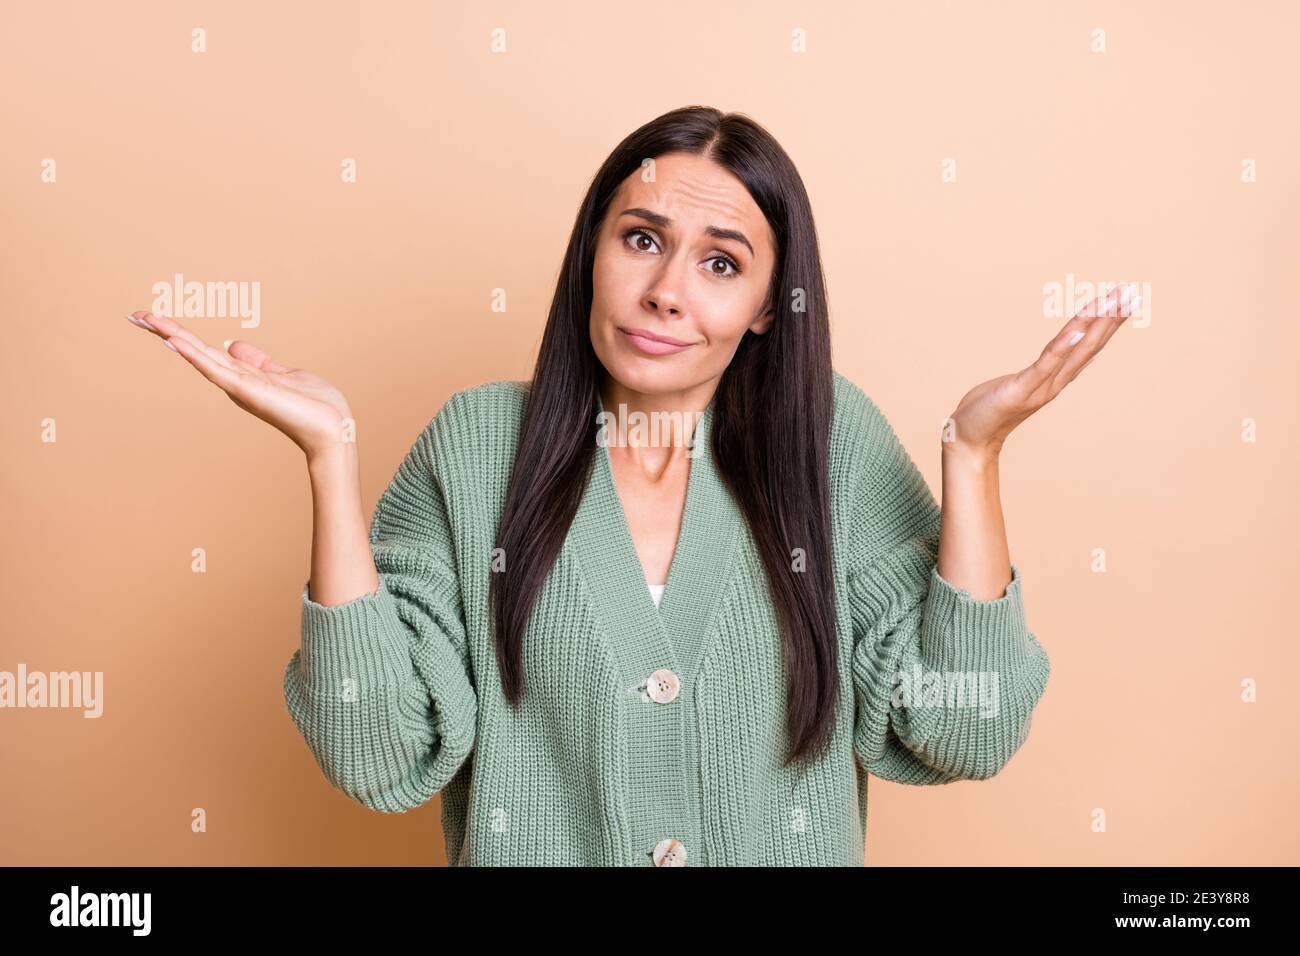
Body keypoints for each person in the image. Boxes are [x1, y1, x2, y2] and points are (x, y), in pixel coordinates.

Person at [126, 105, 1133, 866]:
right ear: (591, 255)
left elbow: (964, 725)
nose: (665, 290)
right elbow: (376, 747)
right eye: (641, 238)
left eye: (722, 262)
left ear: (769, 308)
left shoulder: (830, 442)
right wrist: (328, 456)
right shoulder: (477, 446)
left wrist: (972, 457)